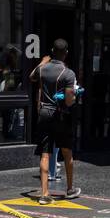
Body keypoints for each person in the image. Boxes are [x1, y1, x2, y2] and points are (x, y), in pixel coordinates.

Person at [30, 38, 80, 204]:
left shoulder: (43, 69)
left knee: (45, 154)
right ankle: (70, 188)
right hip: (60, 115)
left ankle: (44, 194)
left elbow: (32, 77)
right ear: (66, 53)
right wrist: (76, 93)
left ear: (52, 50)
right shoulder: (68, 73)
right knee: (67, 152)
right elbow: (68, 101)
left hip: (44, 114)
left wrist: (41, 63)